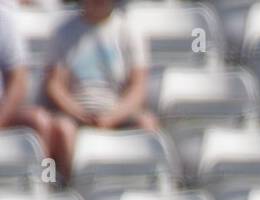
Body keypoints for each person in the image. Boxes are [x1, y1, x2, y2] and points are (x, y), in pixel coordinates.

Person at [43, 0, 155, 170]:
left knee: (147, 123)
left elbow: (138, 87)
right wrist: (79, 113)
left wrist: (113, 116)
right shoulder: (64, 33)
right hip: (76, 114)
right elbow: (55, 85)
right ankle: (71, 183)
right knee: (62, 128)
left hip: (117, 111)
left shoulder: (128, 31)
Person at [0, 0, 60, 174]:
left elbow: (18, 81)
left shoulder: (2, 19)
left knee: (39, 121)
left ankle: (47, 180)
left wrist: (1, 119)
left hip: (2, 111)